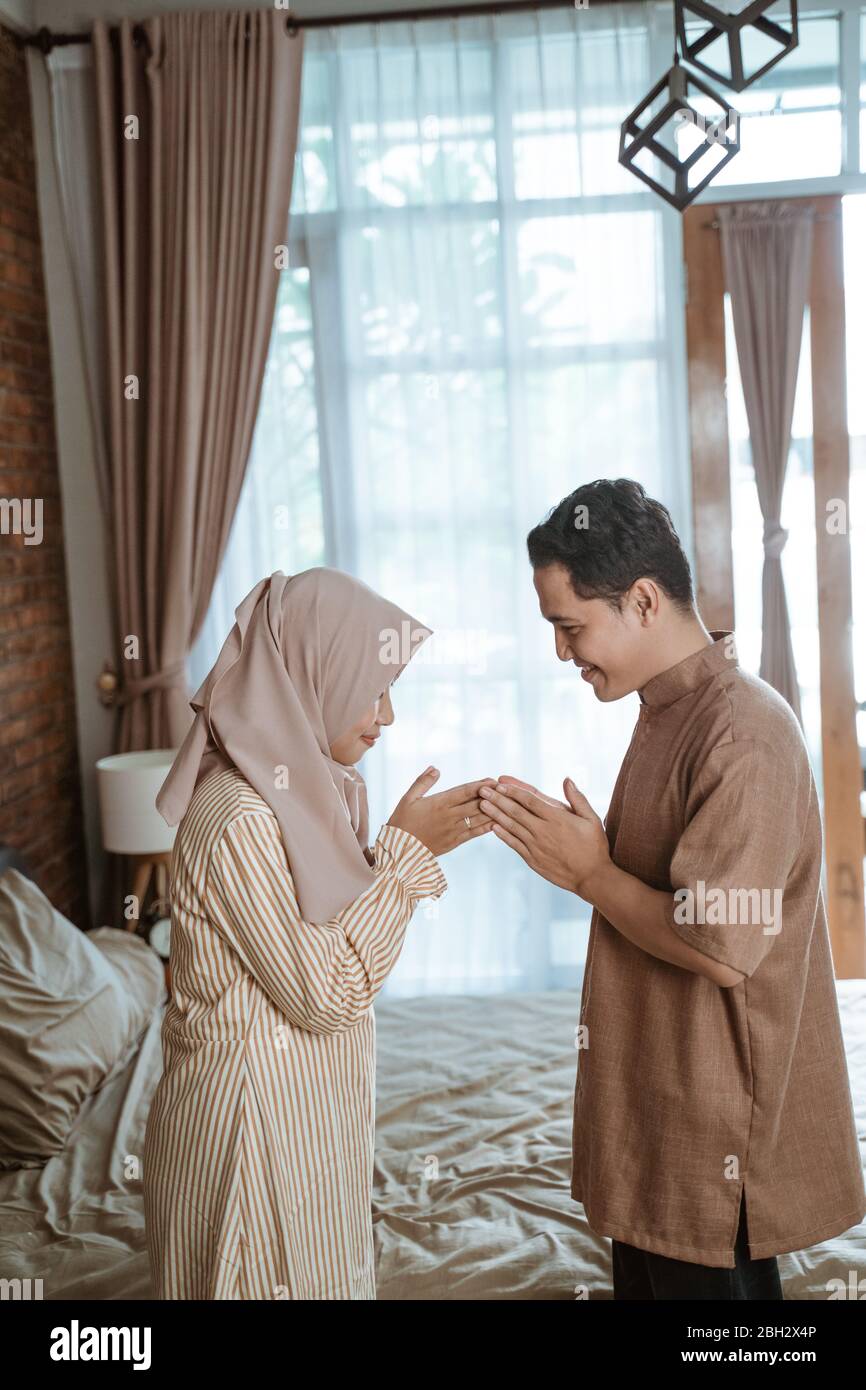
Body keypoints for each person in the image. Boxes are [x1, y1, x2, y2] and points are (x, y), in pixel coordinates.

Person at [478, 478, 866, 1301]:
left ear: (643, 600)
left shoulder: (745, 732)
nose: (561, 653)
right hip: (661, 1124)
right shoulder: (668, 712)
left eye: (570, 627)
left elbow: (717, 947)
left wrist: (588, 871)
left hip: (712, 1143)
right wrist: (586, 854)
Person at [144, 566, 493, 1299]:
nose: (387, 715)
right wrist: (401, 859)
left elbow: (321, 928)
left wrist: (392, 854)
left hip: (298, 1133)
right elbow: (327, 990)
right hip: (250, 1143)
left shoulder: (292, 799)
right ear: (315, 673)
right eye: (375, 687)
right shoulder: (239, 818)